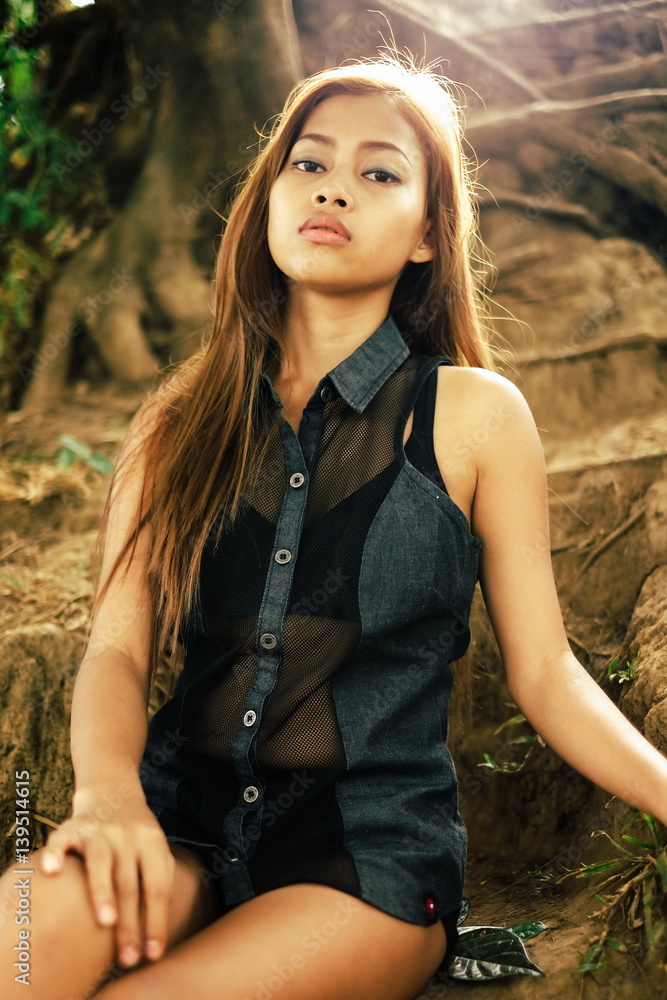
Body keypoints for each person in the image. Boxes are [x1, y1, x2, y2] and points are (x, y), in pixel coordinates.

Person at [2, 52, 667, 1000]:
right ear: (270, 196)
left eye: (379, 173)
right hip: (169, 825)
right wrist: (108, 801)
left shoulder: (473, 415)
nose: (334, 191)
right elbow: (114, 649)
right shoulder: (173, 421)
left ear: (429, 234)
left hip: (362, 862)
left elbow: (546, 673)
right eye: (308, 164)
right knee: (14, 955)